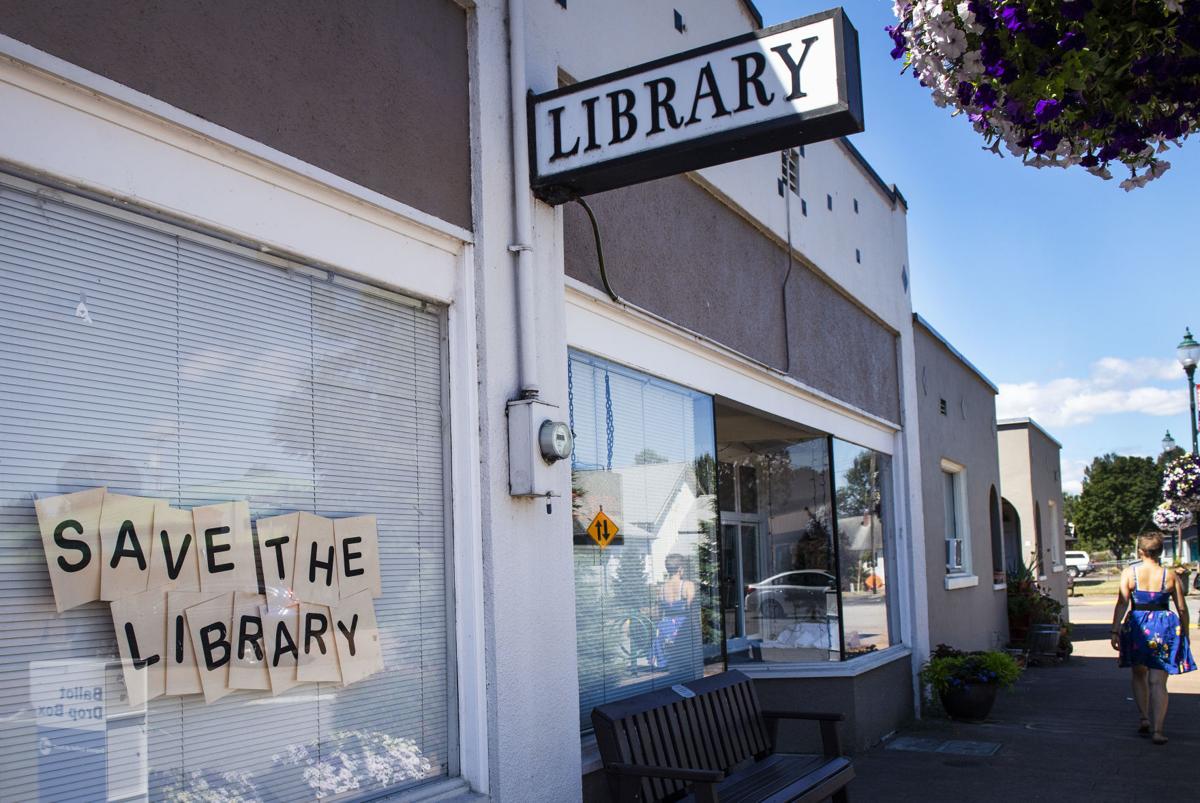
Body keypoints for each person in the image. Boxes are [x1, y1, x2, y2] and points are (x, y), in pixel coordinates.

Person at [1111, 533, 1195, 745]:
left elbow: (1122, 602)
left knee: (1139, 673)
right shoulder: (1170, 575)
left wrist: (1115, 630)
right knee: (1158, 681)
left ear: (1140, 551)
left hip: (1138, 626)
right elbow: (1182, 608)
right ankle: (1158, 730)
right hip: (1164, 627)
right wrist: (1185, 632)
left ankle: (1144, 717)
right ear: (1160, 551)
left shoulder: (1130, 573)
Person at [651, 553, 695, 671]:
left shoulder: (661, 589)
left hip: (665, 628)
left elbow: (657, 614)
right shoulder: (688, 585)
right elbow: (691, 608)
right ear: (680, 569)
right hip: (682, 627)